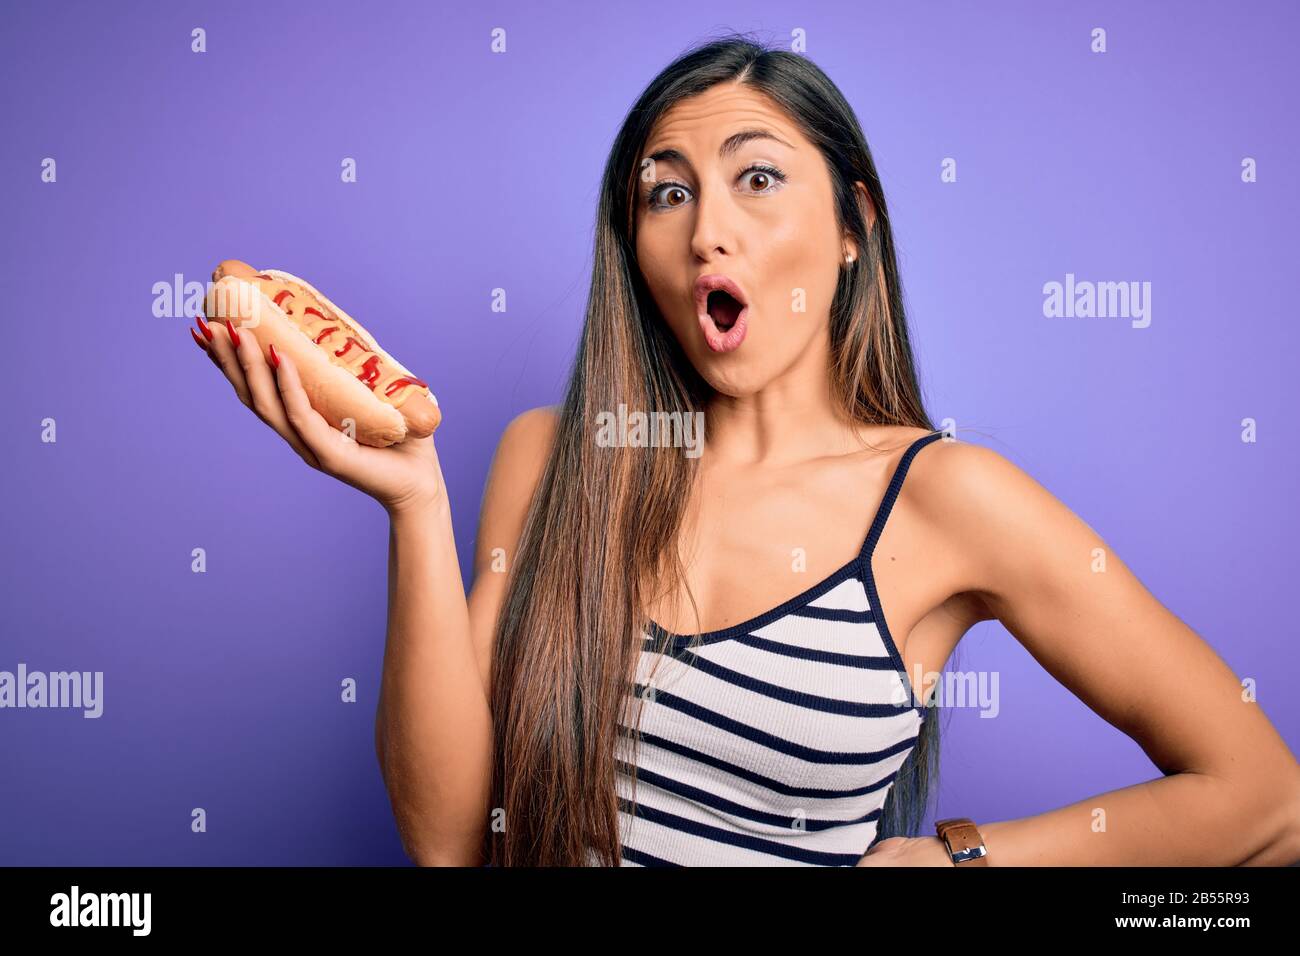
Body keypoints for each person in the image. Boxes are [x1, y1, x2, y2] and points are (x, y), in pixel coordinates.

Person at [191, 35, 1300, 867]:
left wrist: (971, 860)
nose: (705, 227)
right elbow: (442, 837)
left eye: (755, 177)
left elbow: (1267, 798)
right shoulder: (550, 460)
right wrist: (414, 506)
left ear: (853, 224)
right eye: (666, 193)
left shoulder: (945, 500)